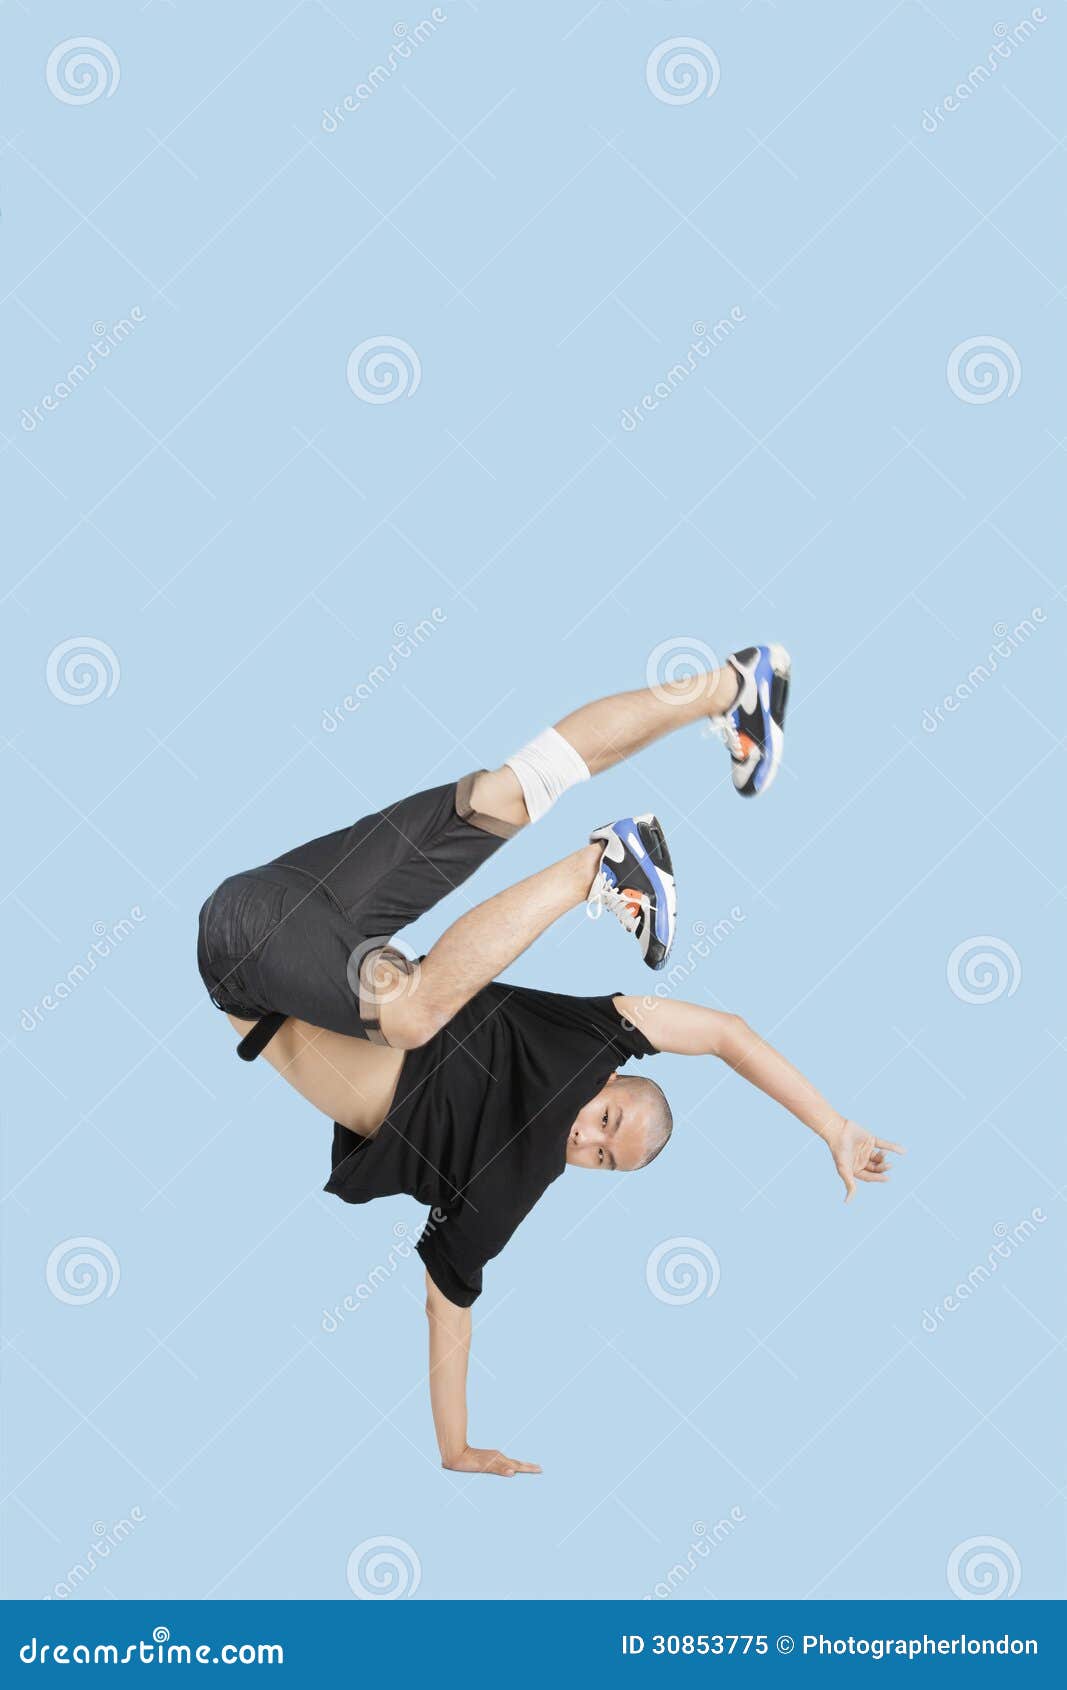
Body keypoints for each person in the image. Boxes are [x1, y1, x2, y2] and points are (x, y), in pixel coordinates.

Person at [197, 643, 903, 1478]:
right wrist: (832, 1124)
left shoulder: (502, 1195)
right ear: (608, 1082)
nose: (588, 1142)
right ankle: (655, 783)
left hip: (267, 949)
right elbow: (723, 1034)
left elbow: (447, 1307)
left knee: (476, 864)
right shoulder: (588, 1039)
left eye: (604, 1159)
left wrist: (455, 1448)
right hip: (290, 927)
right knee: (480, 877)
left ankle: (708, 720)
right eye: (607, 1121)